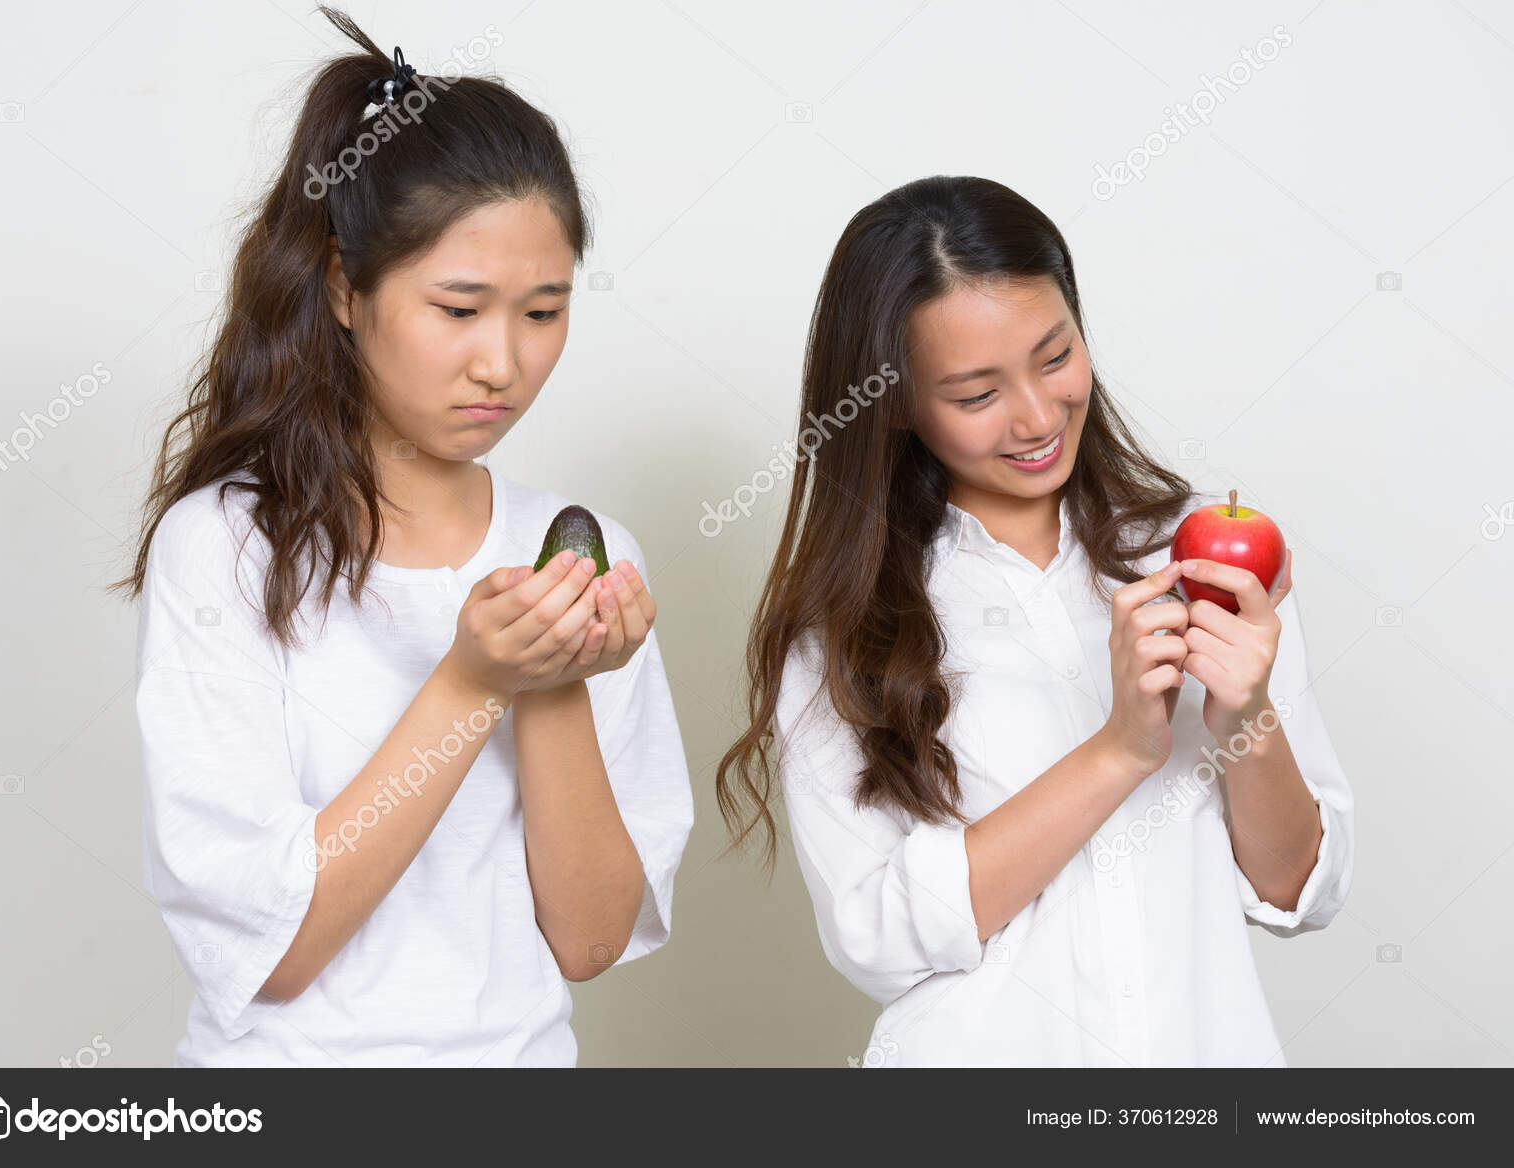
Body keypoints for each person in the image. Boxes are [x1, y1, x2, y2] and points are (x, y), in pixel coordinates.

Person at [113, 7, 693, 1066]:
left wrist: (553, 678)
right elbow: (275, 952)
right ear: (345, 288)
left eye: (543, 312)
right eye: (459, 309)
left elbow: (589, 940)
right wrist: (473, 685)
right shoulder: (227, 548)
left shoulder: (580, 555)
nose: (502, 364)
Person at [716, 175, 1354, 1067]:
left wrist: (1244, 715)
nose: (1037, 416)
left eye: (1055, 358)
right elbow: (875, 944)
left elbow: (1296, 891)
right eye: (976, 395)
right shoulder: (843, 631)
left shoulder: (1200, 557)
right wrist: (1120, 749)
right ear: (895, 403)